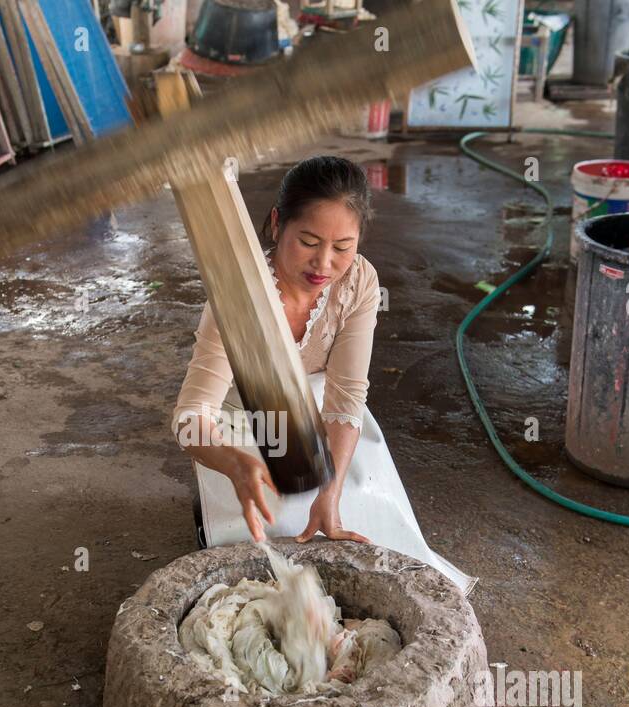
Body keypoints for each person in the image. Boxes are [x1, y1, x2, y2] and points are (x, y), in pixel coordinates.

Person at [171, 155, 475, 594]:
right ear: (277, 225)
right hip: (240, 418)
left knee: (358, 508)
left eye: (343, 246)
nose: (324, 264)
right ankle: (217, 500)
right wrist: (234, 464)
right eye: (309, 241)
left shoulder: (360, 282)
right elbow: (189, 417)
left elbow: (347, 396)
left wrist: (329, 492)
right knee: (260, 543)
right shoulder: (237, 295)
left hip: (320, 406)